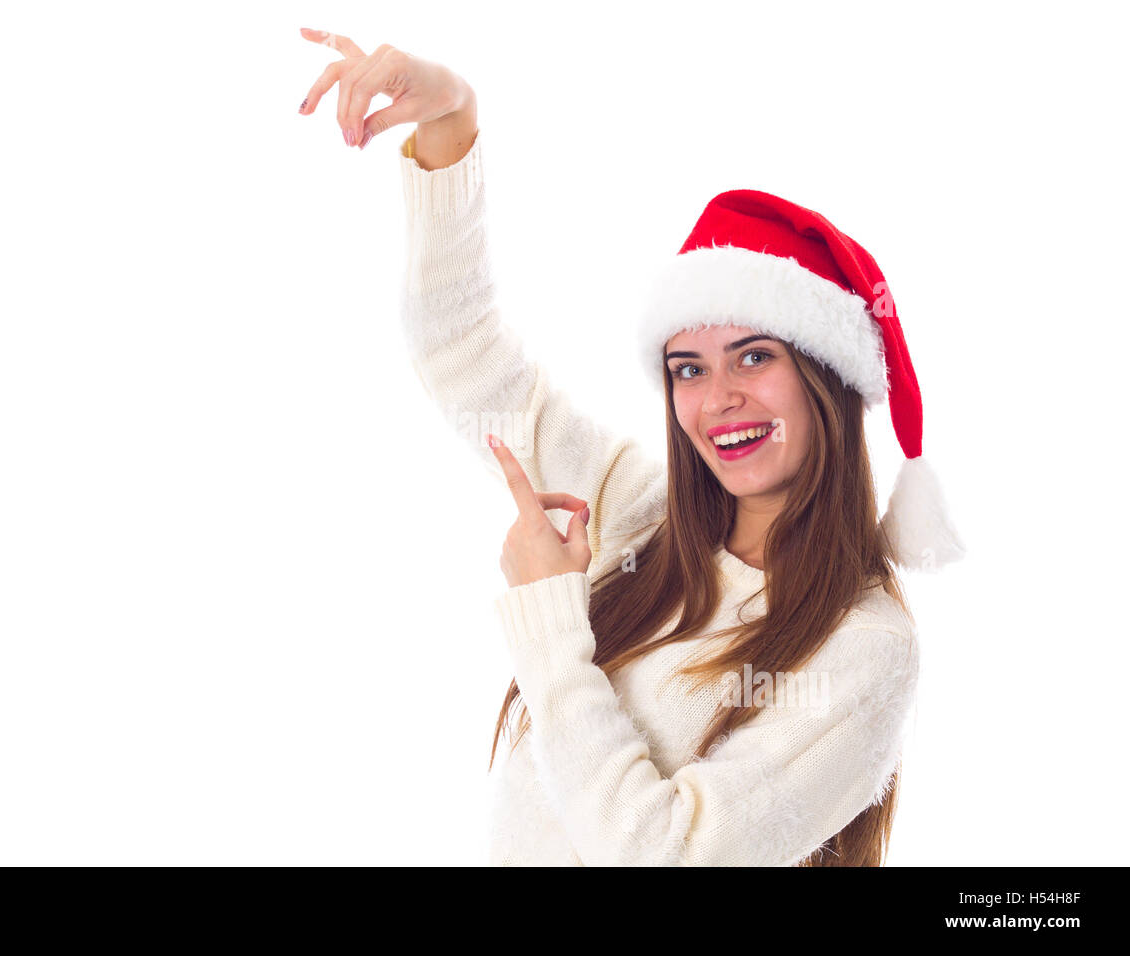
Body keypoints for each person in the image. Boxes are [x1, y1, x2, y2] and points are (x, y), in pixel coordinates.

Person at [299, 28, 966, 867]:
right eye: (688, 367)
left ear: (825, 376)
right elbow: (459, 351)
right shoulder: (639, 515)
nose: (719, 398)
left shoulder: (863, 650)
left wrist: (549, 620)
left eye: (755, 356)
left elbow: (664, 855)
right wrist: (450, 121)